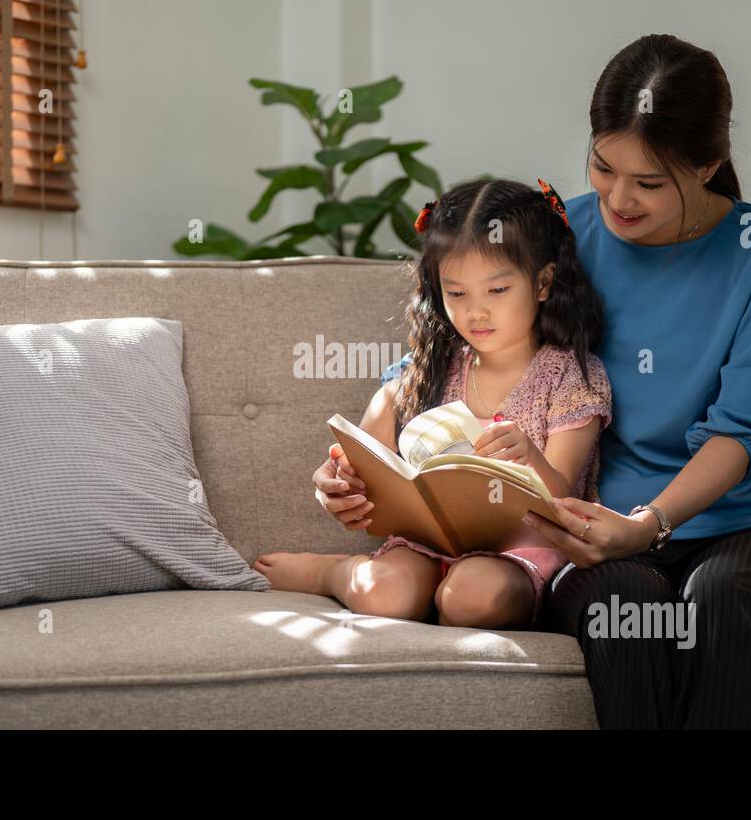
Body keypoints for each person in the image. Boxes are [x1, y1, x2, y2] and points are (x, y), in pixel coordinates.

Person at [377, 34, 751, 729]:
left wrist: (647, 524)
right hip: (584, 532)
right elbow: (459, 341)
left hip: (736, 529)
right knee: (628, 611)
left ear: (707, 165)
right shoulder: (562, 231)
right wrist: (364, 457)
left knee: (721, 605)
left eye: (649, 183)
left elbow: (744, 431)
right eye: (603, 167)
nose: (618, 199)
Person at [253, 177, 612, 630]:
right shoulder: (425, 367)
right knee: (384, 594)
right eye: (456, 293)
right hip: (424, 544)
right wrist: (340, 482)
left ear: (542, 282)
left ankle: (444, 595)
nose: (475, 312)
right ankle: (332, 572)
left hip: (519, 552)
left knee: (473, 596)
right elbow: (364, 460)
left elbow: (564, 502)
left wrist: (532, 460)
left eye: (497, 291)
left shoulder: (569, 376)